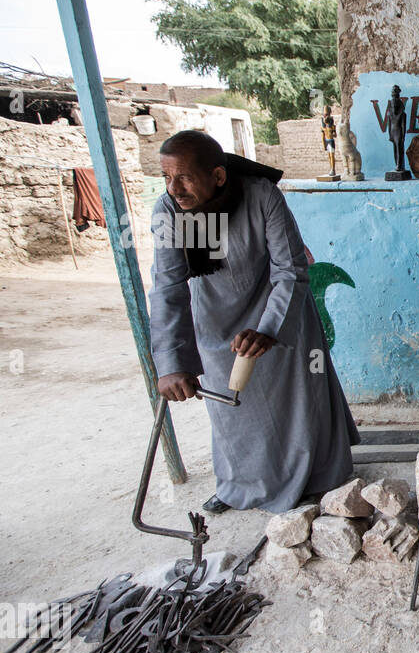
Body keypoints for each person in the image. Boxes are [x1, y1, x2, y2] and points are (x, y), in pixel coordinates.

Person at [149, 130, 359, 514]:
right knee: (233, 412)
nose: (174, 189)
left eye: (184, 178)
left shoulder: (262, 195)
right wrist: (170, 364)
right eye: (166, 177)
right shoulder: (169, 211)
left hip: (280, 310)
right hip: (216, 319)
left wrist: (268, 329)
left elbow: (290, 270)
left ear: (218, 176)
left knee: (300, 401)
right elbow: (167, 288)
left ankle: (317, 480)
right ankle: (239, 486)